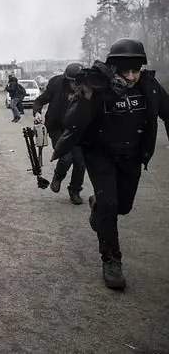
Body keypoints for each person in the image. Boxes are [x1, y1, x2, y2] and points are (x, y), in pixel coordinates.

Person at [52, 39, 169, 289]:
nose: (130, 77)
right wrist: (87, 92)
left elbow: (167, 111)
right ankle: (111, 259)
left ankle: (98, 207)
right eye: (125, 71)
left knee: (123, 207)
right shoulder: (97, 87)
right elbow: (71, 120)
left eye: (135, 70)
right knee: (110, 204)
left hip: (132, 156)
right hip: (100, 155)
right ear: (113, 68)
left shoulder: (148, 85)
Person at [32, 63, 86, 205]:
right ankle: (58, 176)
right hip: (57, 127)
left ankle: (75, 190)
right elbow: (39, 101)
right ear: (68, 80)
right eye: (73, 82)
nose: (76, 85)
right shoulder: (56, 85)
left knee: (80, 162)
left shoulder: (88, 88)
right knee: (66, 158)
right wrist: (37, 112)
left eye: (79, 82)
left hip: (77, 129)